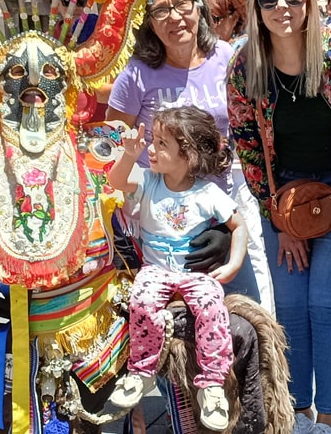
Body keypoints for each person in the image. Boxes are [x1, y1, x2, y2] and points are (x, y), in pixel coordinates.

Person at [228, 0, 331, 433]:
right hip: (283, 200)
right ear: (257, 6)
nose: (283, 6)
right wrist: (279, 220)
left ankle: (329, 415)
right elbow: (248, 147)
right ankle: (298, 414)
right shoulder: (246, 67)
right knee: (291, 306)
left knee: (326, 302)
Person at [107, 0, 271, 307]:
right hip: (160, 235)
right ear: (149, 22)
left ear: (199, 8)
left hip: (220, 213)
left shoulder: (226, 58)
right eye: (161, 10)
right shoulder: (136, 75)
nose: (175, 17)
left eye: (182, 4)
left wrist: (231, 227)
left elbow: (251, 131)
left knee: (244, 318)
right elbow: (110, 145)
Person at [105, 107, 248, 432]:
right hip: (156, 270)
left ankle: (212, 384)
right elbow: (116, 180)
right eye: (153, 141)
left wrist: (234, 263)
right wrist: (130, 155)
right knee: (141, 301)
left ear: (189, 156)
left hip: (195, 273)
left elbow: (238, 226)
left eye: (161, 144)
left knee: (212, 306)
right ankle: (141, 372)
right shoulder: (149, 181)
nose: (152, 149)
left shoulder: (208, 193)